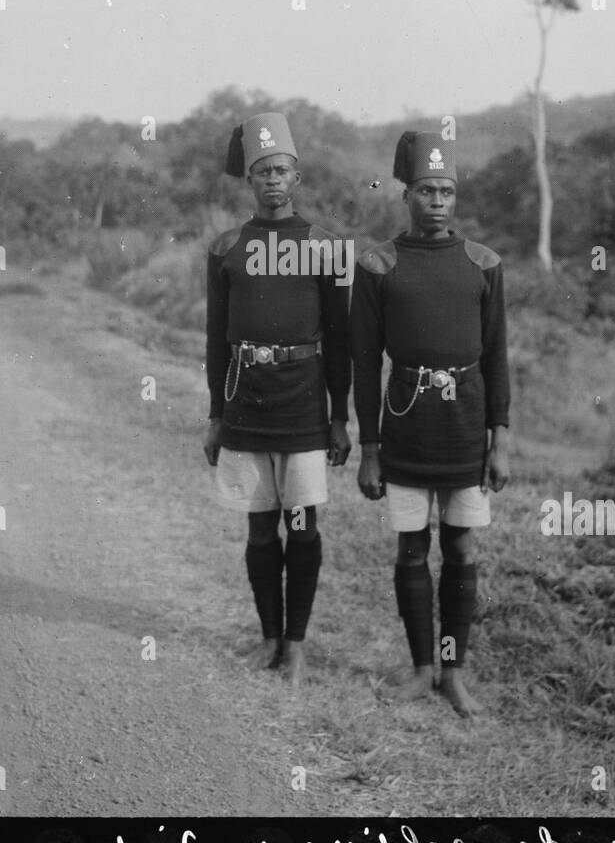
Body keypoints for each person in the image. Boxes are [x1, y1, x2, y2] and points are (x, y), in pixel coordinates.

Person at [350, 131, 510, 716]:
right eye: (425, 190)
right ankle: (421, 668)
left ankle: (454, 670)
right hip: (407, 427)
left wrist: (501, 442)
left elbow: (497, 358)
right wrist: (369, 448)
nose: (437, 200)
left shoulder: (483, 264)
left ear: (455, 195)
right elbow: (364, 366)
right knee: (412, 548)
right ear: (406, 195)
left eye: (445, 189)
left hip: (466, 429)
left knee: (462, 547)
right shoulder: (378, 265)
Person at [204, 112, 351, 685]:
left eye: (282, 170)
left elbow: (340, 342)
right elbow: (217, 340)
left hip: (302, 405)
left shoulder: (324, 247)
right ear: (250, 179)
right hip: (245, 403)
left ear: (297, 177)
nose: (272, 180)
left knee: (302, 525)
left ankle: (296, 645)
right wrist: (216, 416)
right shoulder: (226, 248)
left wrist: (340, 418)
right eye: (262, 171)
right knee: (260, 528)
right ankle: (267, 636)